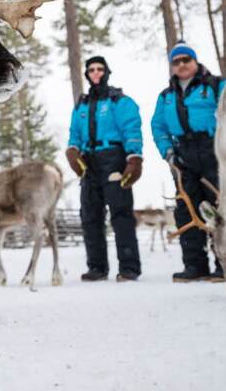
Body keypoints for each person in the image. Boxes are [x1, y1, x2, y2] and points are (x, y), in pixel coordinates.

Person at [151, 41, 226, 283]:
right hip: (183, 156)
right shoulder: (166, 97)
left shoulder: (216, 86)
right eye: (177, 61)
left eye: (186, 60)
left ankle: (225, 262)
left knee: (218, 207)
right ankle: (194, 264)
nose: (182, 65)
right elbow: (158, 126)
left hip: (213, 151)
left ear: (195, 61)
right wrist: (169, 153)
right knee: (187, 208)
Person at [65, 56, 144, 282]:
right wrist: (72, 150)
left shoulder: (120, 101)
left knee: (120, 214)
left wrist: (134, 158)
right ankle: (97, 267)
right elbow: (75, 133)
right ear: (87, 74)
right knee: (90, 215)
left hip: (114, 158)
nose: (96, 72)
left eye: (100, 69)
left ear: (107, 72)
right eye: (91, 69)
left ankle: (129, 267)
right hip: (89, 161)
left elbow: (131, 128)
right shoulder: (81, 105)